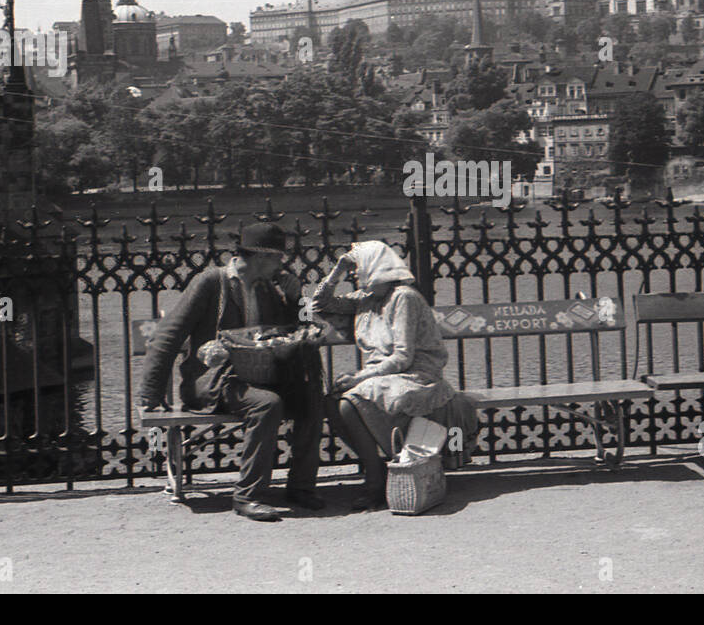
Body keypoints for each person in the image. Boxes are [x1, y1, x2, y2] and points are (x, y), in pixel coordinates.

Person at [138, 223, 325, 522]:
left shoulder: (268, 287)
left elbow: (286, 333)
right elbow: (168, 336)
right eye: (279, 258)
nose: (283, 264)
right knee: (267, 404)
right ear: (262, 257)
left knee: (311, 399)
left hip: (256, 377)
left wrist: (293, 298)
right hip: (210, 382)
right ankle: (247, 496)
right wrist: (150, 395)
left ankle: (301, 487)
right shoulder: (212, 282)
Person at [313, 240, 477, 510]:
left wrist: (360, 377)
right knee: (331, 400)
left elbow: (403, 356)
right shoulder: (366, 299)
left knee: (348, 401)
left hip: (416, 375)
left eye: (358, 267)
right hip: (383, 376)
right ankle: (376, 466)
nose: (354, 274)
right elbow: (319, 303)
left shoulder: (404, 297)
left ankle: (375, 480)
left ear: (375, 267)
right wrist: (338, 268)